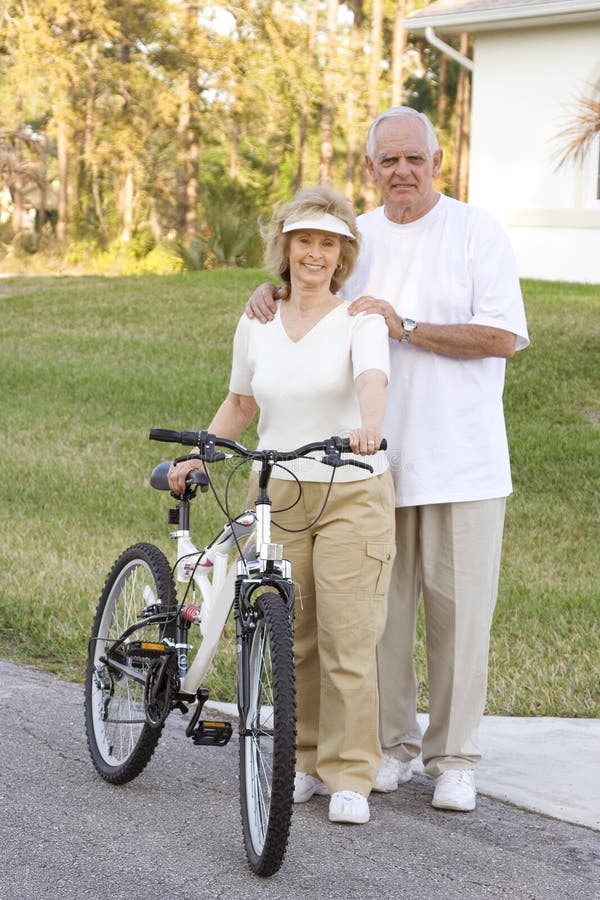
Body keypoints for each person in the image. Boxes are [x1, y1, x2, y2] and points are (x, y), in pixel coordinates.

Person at [246, 107, 530, 813]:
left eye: (415, 158)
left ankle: (454, 759)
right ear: (370, 167)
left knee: (459, 622)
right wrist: (271, 292)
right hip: (364, 470)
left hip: (463, 463)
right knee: (374, 625)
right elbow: (313, 287)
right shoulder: (358, 238)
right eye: (389, 160)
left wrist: (409, 329)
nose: (402, 171)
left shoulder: (475, 231)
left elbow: (502, 336)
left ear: (438, 162)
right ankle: (391, 747)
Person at [169, 184, 397, 825]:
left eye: (328, 243)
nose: (315, 254)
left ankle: (351, 773)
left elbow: (371, 379)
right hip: (276, 492)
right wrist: (202, 452)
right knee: (290, 636)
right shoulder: (258, 318)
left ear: (343, 255)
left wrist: (370, 426)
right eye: (304, 241)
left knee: (347, 637)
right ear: (286, 248)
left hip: (351, 487)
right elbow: (241, 402)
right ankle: (302, 760)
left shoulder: (361, 320)